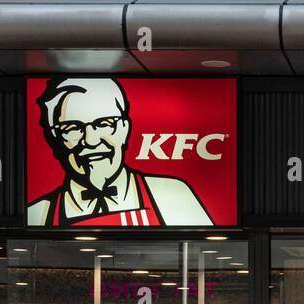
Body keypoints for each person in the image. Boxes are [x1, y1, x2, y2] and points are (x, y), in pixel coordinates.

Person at [27, 77, 212, 227]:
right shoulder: (39, 214)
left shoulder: (171, 196)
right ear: (54, 138)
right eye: (72, 128)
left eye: (104, 124)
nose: (91, 140)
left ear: (125, 129)